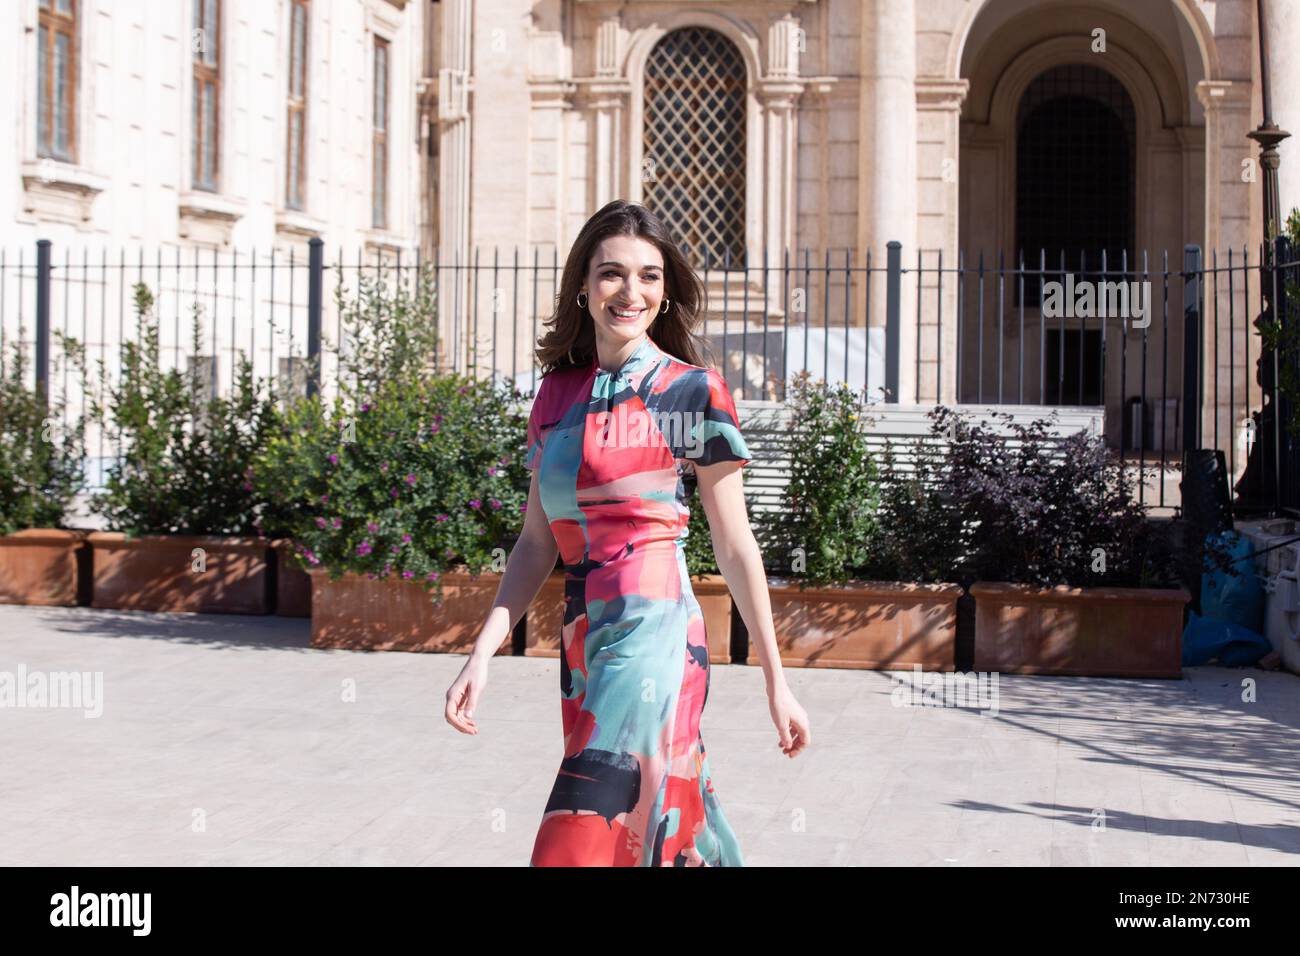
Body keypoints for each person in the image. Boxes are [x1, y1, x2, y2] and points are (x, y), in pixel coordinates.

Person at [444, 200, 811, 866]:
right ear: (583, 288)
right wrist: (483, 651)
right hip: (584, 643)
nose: (631, 291)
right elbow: (535, 542)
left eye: (648, 275)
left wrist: (775, 681)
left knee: (581, 831)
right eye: (612, 273)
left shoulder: (690, 392)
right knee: (648, 825)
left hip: (657, 638)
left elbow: (735, 545)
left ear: (665, 290)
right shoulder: (556, 395)